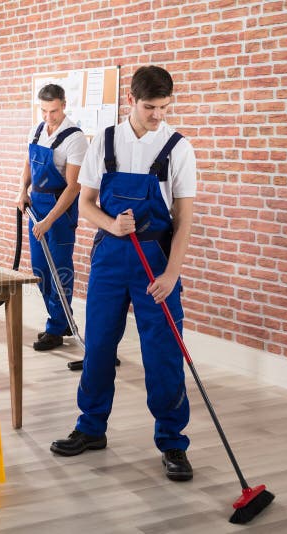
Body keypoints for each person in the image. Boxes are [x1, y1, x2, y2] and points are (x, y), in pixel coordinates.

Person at [49, 66, 198, 482]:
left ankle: (172, 442)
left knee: (163, 354)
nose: (158, 115)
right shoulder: (106, 142)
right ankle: (91, 427)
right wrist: (111, 225)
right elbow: (86, 204)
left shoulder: (177, 147)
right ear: (131, 100)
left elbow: (184, 220)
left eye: (165, 107)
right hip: (111, 259)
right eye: (151, 106)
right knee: (98, 346)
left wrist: (171, 274)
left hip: (156, 263)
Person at [15, 84, 89, 351]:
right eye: (44, 110)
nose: (49, 116)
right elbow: (28, 163)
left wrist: (49, 221)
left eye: (54, 111)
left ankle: (56, 328)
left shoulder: (75, 138)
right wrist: (22, 190)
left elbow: (74, 186)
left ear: (64, 105)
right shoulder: (36, 130)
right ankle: (64, 319)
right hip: (37, 206)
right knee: (40, 270)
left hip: (60, 209)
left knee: (60, 270)